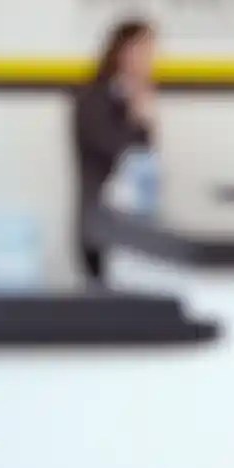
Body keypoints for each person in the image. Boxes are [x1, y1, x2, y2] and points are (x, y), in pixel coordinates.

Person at [72, 19, 158, 280]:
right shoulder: (93, 98)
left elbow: (145, 160)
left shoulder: (133, 98)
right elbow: (120, 152)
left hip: (132, 224)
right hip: (102, 225)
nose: (151, 60)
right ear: (124, 51)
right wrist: (137, 117)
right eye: (144, 50)